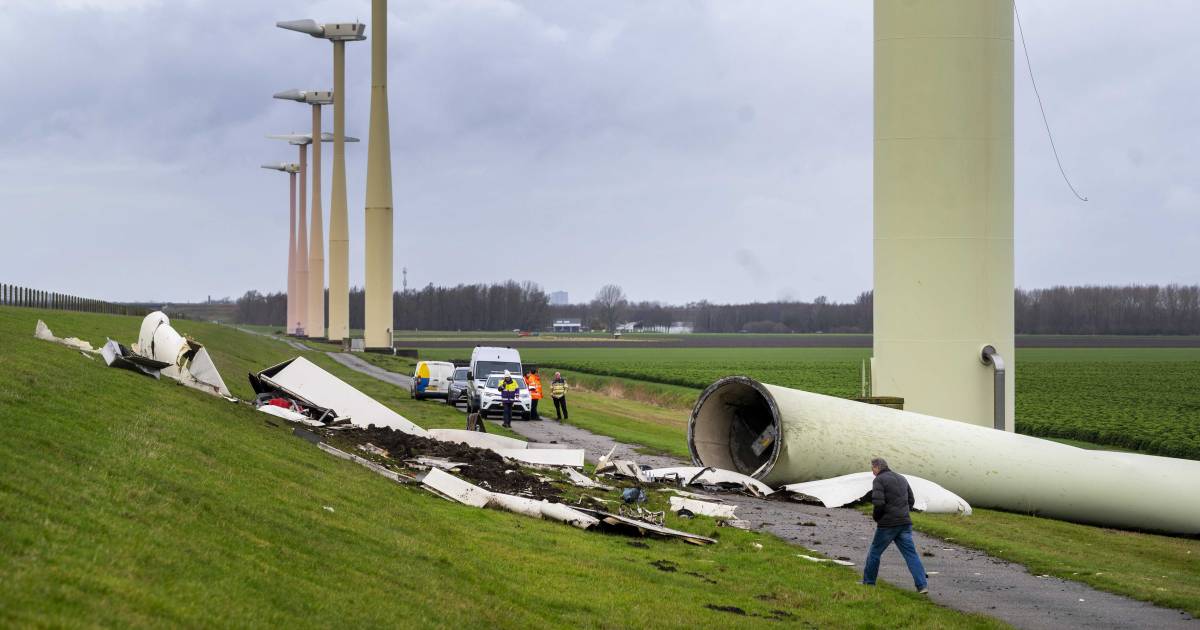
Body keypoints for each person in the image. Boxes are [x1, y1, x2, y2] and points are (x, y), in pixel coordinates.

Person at [861, 457, 928, 593]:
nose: (872, 471)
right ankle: (922, 586)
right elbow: (911, 500)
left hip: (888, 524)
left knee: (874, 552)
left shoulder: (879, 480)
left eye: (872, 468)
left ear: (877, 467)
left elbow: (878, 503)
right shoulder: (902, 478)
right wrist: (903, 512)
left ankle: (869, 583)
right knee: (911, 555)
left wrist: (877, 517)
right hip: (904, 523)